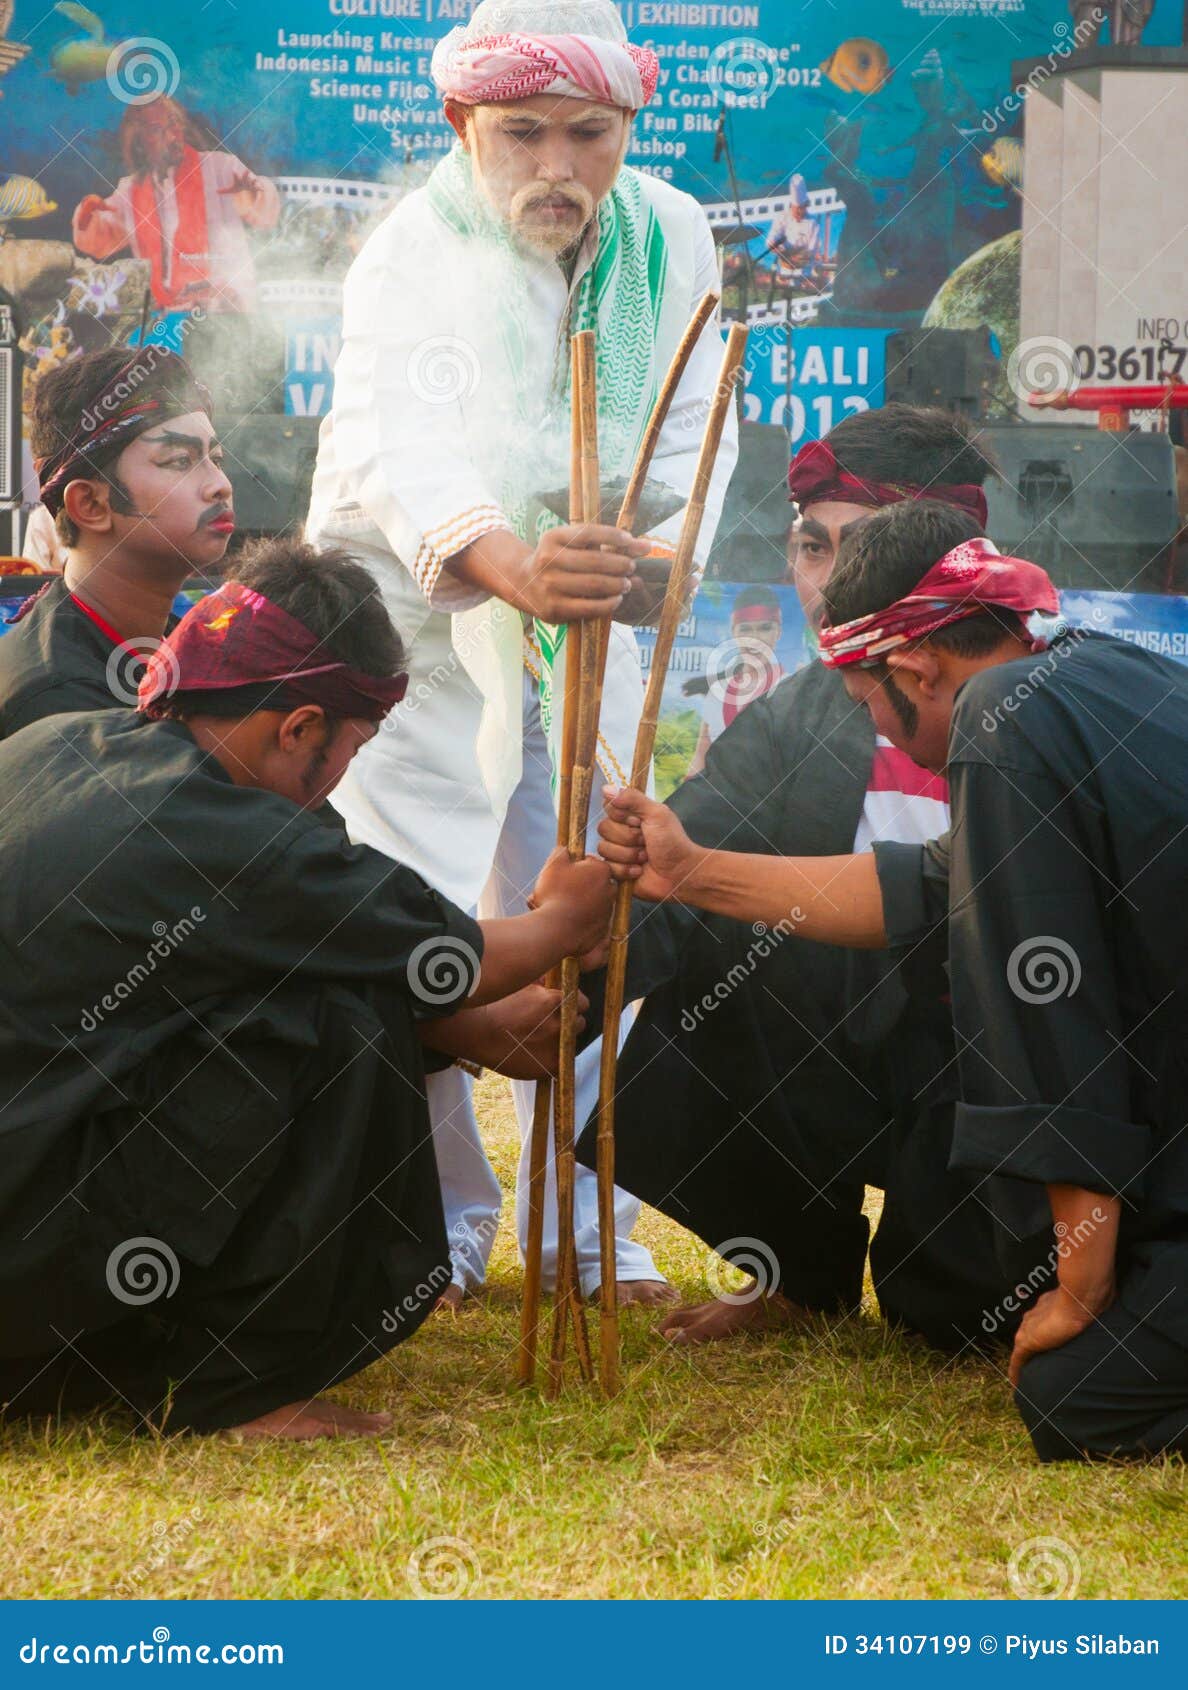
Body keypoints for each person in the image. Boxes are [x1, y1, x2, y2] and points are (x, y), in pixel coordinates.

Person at [601, 497, 1188, 1463]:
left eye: (866, 702)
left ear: (915, 669)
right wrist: (690, 872)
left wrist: (1081, 1282)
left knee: (1085, 1397)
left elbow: (1055, 1021)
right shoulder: (1089, 669)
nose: (872, 725)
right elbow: (931, 887)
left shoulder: (999, 722)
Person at [306, 0, 738, 1308]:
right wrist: (512, 565)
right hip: (418, 629)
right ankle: (428, 1234)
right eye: (524, 132)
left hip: (594, 610)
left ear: (629, 126)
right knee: (425, 918)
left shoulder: (670, 229)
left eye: (588, 133)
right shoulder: (410, 247)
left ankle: (583, 1237)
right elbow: (401, 457)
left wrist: (645, 568)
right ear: (460, 123)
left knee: (604, 892)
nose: (557, 165)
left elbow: (694, 428)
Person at [0, 540, 615, 1441]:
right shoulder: (220, 827)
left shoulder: (55, 745)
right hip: (28, 1251)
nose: (339, 777)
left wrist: (459, 1029)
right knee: (340, 1012)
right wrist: (568, 918)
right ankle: (237, 1387)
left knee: (329, 989)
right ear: (298, 729)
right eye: (349, 749)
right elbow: (452, 958)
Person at [579, 407, 1017, 1353]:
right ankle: (793, 1265)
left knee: (945, 1314)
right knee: (721, 942)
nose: (826, 590)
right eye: (811, 549)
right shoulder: (797, 715)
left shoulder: (1045, 703)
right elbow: (681, 866)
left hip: (1010, 1052)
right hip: (863, 1031)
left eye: (858, 554)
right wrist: (572, 969)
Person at [0, 347, 233, 739]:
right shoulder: (56, 698)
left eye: (217, 459)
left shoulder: (183, 647)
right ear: (90, 504)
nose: (220, 485)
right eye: (180, 460)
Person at [73, 97, 279, 314]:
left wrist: (254, 197)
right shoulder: (130, 190)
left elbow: (267, 215)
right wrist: (88, 216)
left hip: (227, 313)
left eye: (174, 124)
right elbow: (101, 240)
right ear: (139, 142)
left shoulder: (221, 167)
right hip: (165, 317)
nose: (172, 136)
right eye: (156, 130)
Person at [684, 583, 784, 777]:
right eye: (745, 629)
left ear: (778, 632)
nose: (754, 638)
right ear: (734, 633)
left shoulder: (795, 688)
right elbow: (700, 760)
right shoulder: (718, 693)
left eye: (764, 628)